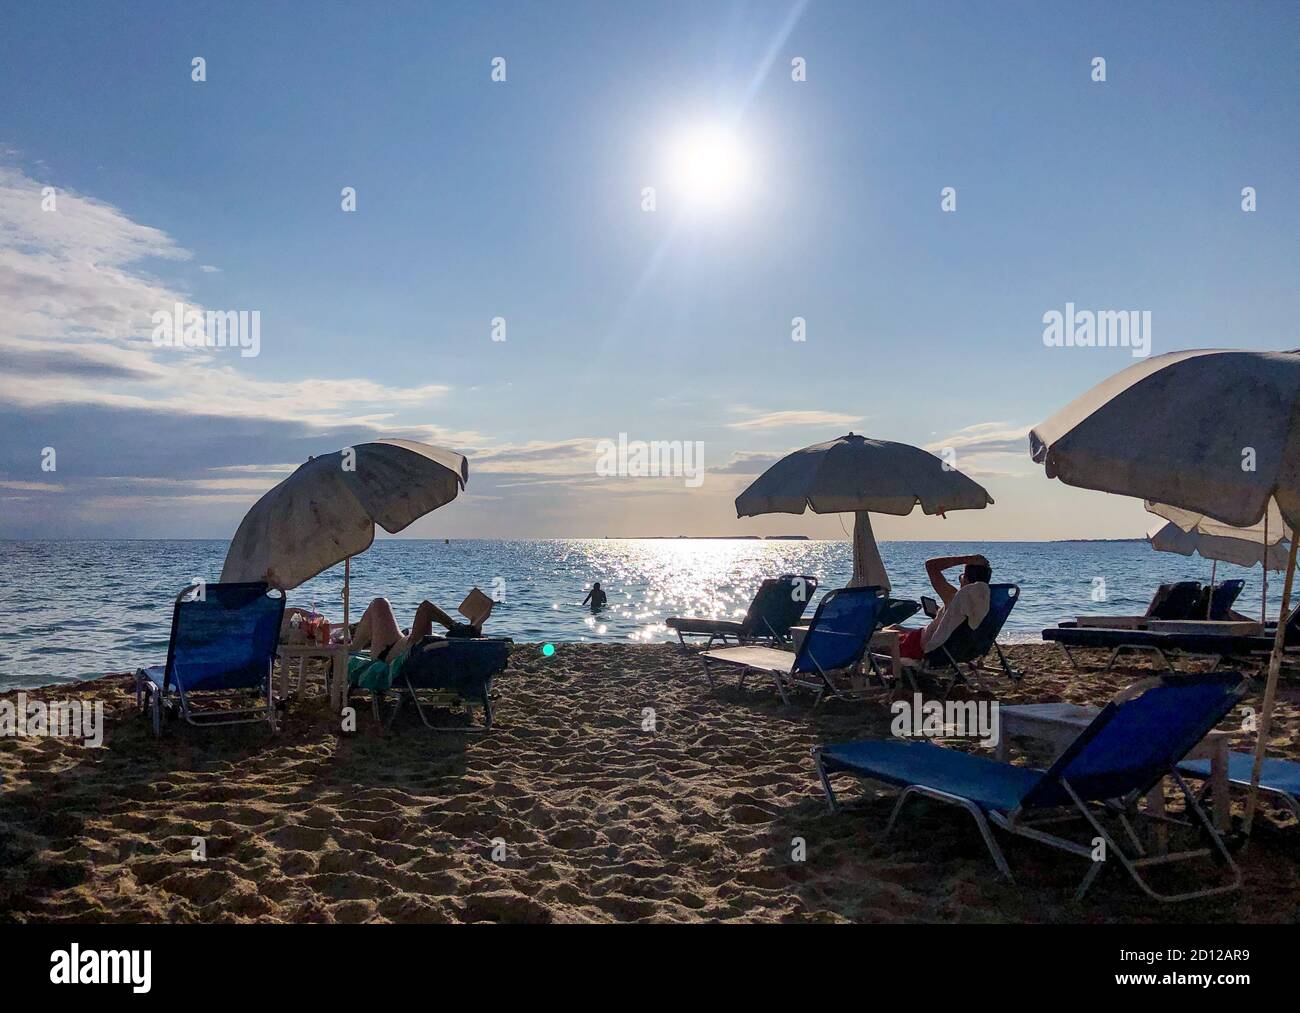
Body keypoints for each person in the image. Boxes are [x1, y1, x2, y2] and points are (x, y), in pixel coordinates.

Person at [895, 554, 993, 661]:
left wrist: (967, 559)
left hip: (918, 645)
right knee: (896, 627)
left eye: (962, 576)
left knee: (885, 634)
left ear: (966, 580)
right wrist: (941, 613)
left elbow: (931, 565)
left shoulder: (954, 596)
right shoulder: (984, 604)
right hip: (956, 648)